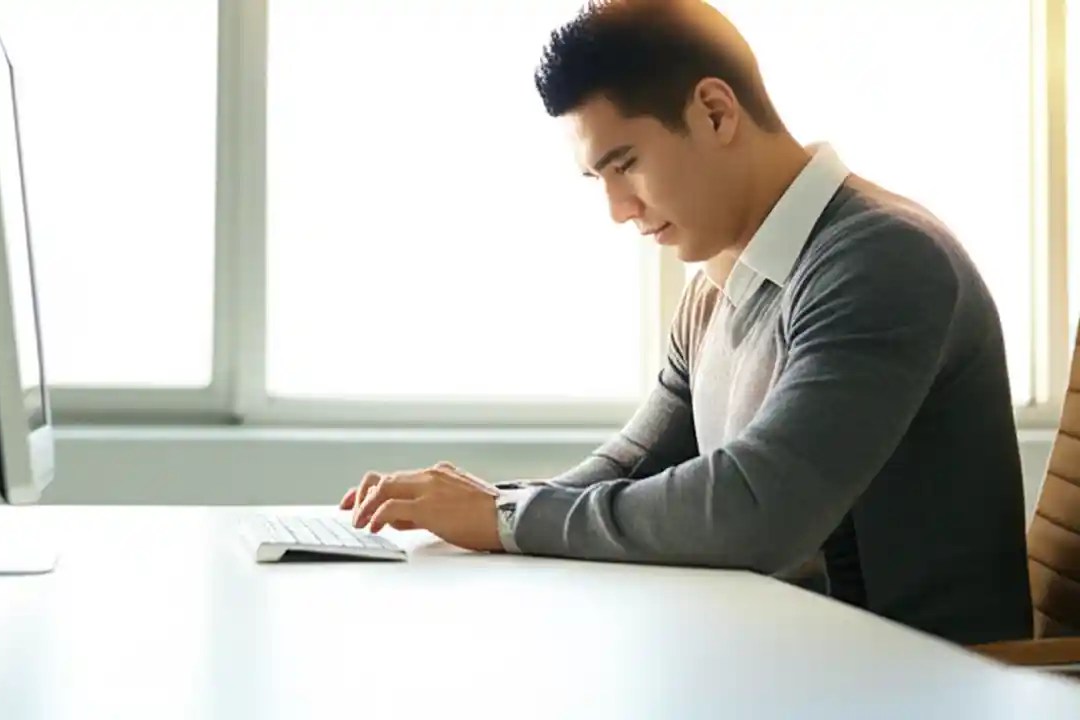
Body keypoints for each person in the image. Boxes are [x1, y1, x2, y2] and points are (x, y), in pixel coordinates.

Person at [338, 0, 1033, 646]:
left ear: (715, 112)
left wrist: (505, 520)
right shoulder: (717, 288)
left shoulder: (882, 259)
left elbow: (755, 510)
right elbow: (631, 464)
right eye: (600, 179)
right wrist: (478, 509)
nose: (618, 209)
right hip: (789, 661)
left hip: (914, 688)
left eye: (626, 164)